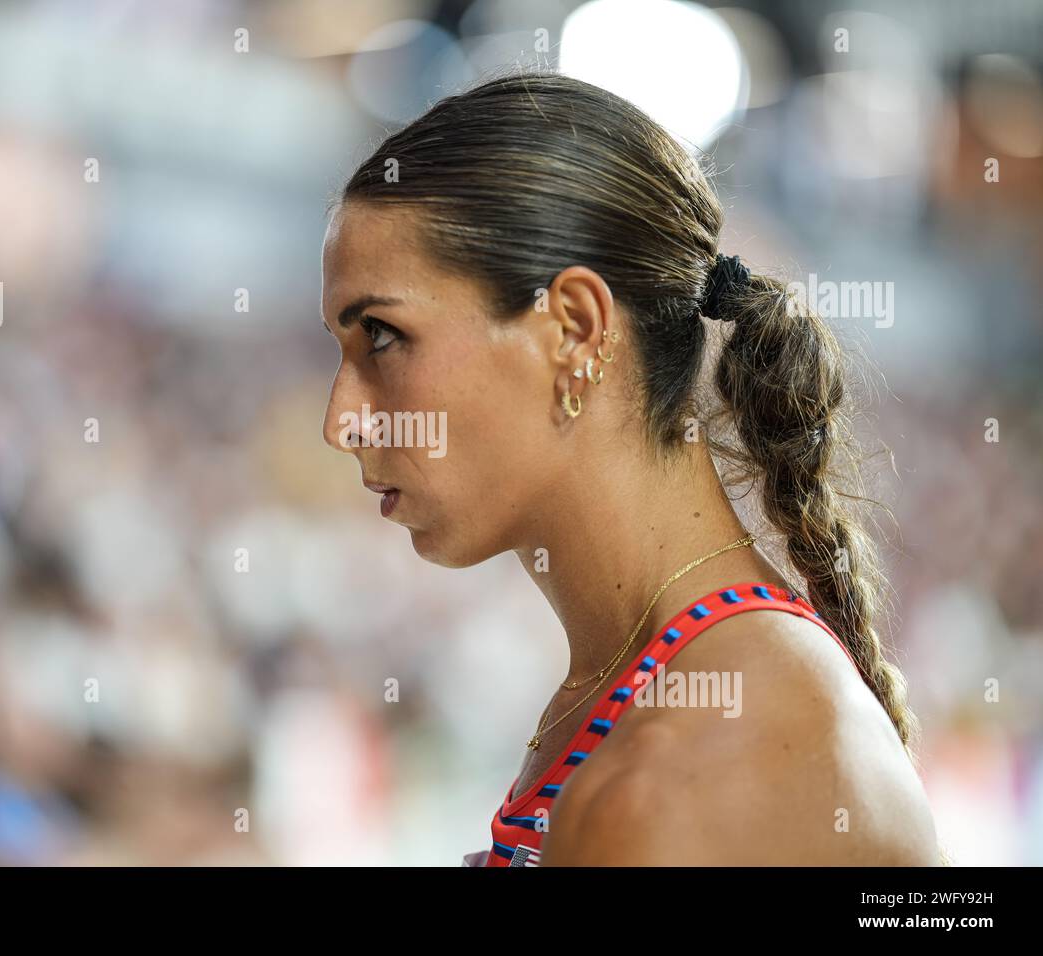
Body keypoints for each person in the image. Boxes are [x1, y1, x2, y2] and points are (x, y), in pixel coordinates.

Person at [319, 71, 943, 865]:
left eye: (381, 335)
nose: (341, 422)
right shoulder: (656, 693)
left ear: (576, 330)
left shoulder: (681, 777)